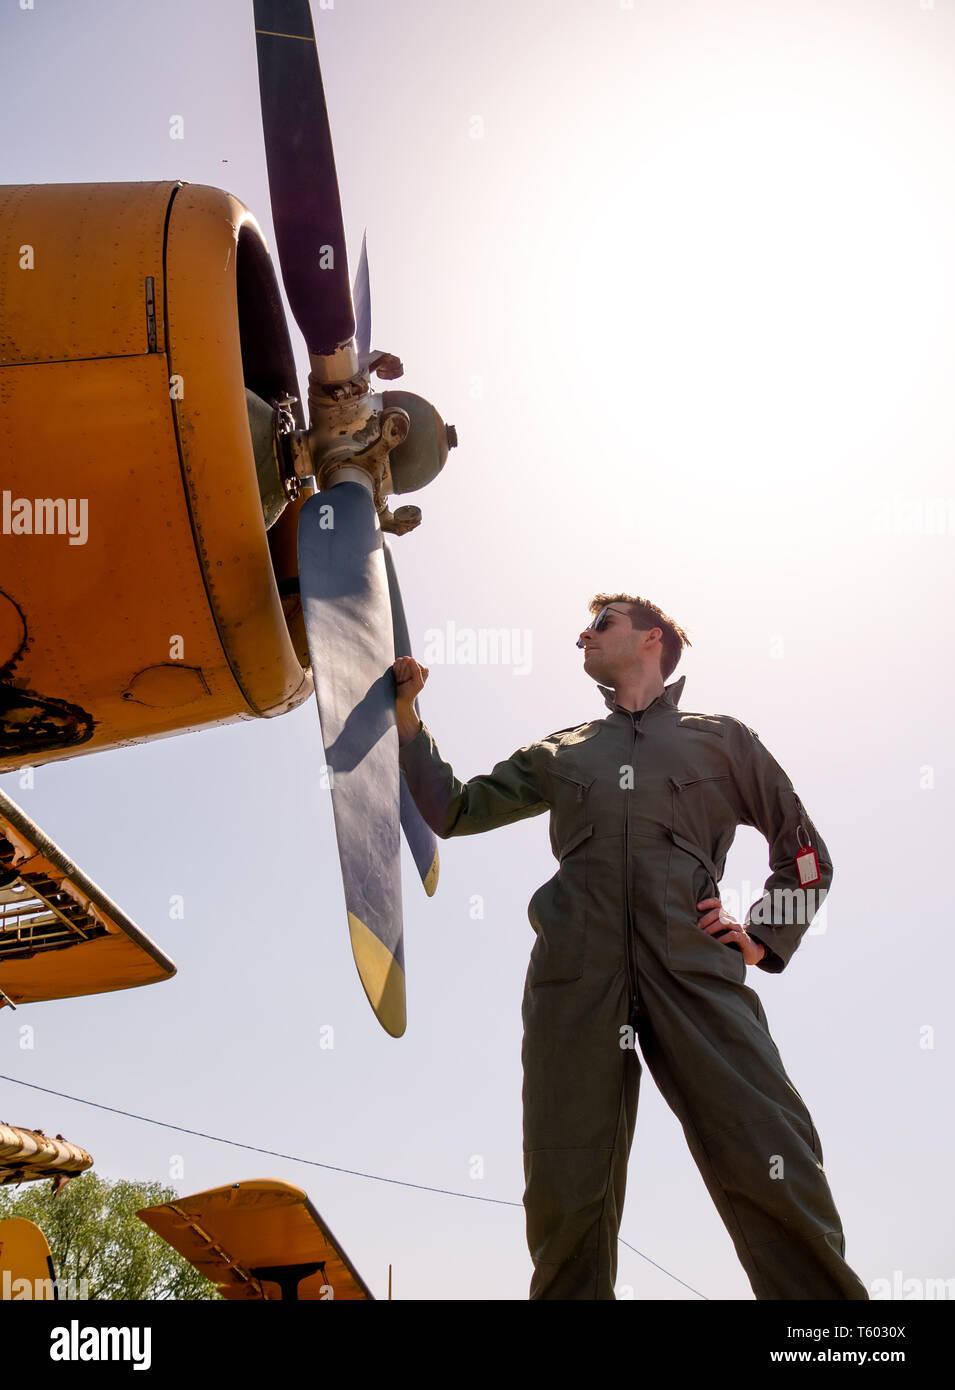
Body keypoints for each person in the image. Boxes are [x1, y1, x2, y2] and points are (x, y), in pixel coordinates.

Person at [393, 592, 867, 1301]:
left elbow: (803, 855)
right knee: (565, 1188)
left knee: (769, 1152)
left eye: (601, 624)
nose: (582, 634)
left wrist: (761, 938)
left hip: (695, 973)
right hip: (573, 979)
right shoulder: (562, 750)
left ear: (651, 639)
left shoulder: (723, 739)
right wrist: (405, 718)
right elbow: (453, 810)